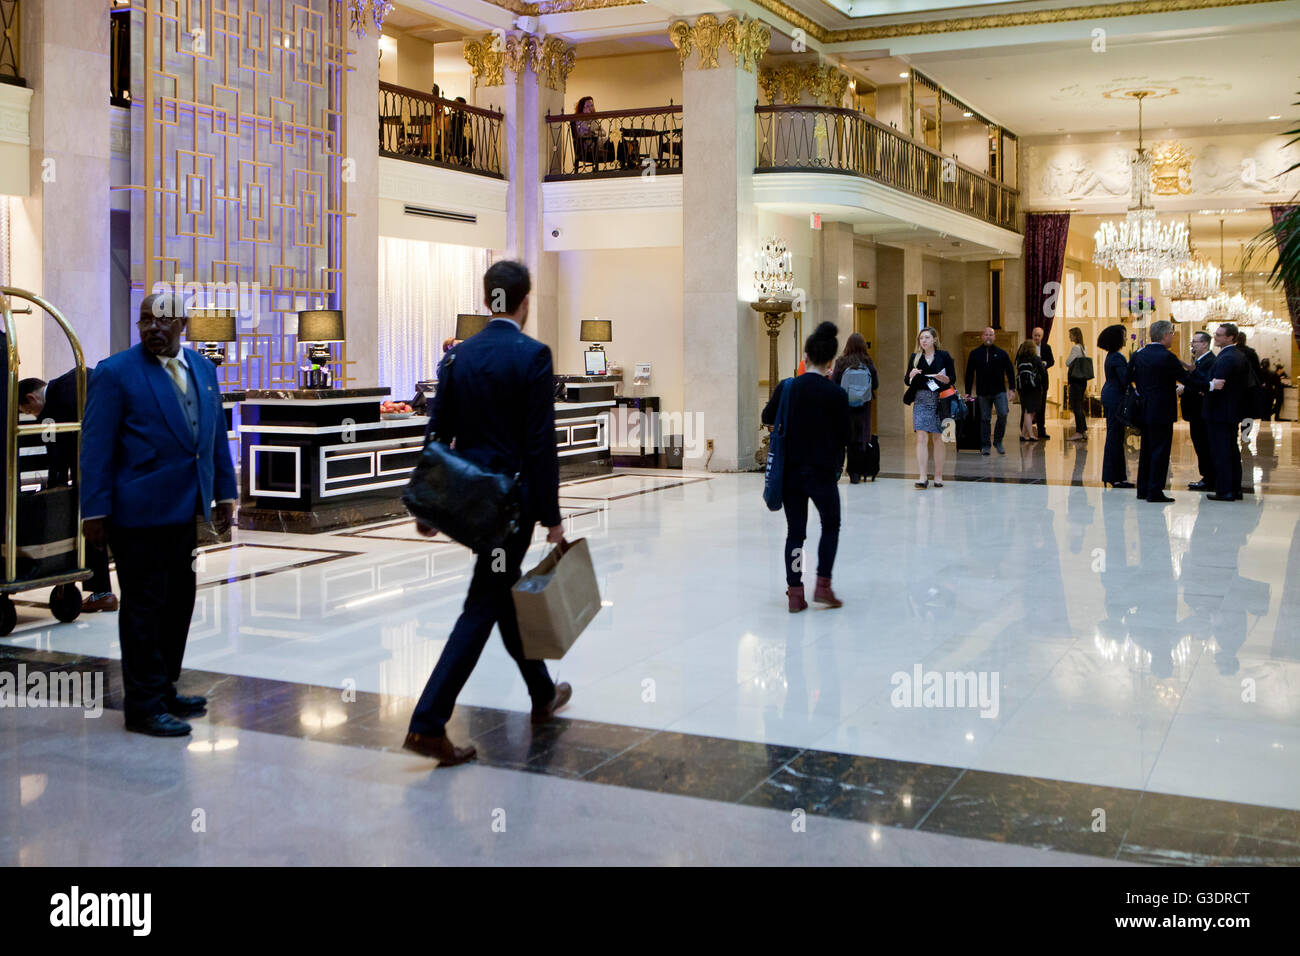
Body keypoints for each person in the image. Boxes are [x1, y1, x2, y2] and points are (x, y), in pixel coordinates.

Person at [404, 260, 570, 767]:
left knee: (500, 591)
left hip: (468, 506)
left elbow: (438, 432)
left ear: (486, 300)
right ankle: (428, 722)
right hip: (509, 512)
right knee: (484, 603)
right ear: (525, 302)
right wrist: (552, 516)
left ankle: (541, 692)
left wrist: (429, 502)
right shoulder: (533, 356)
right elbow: (541, 446)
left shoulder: (460, 358)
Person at [80, 293, 237, 736]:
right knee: (144, 609)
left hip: (186, 511)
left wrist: (224, 494)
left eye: (163, 320)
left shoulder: (204, 370)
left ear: (182, 324)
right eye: (145, 318)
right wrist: (94, 511)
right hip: (137, 513)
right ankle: (143, 706)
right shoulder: (116, 373)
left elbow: (214, 440)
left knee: (178, 604)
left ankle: (164, 688)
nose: (153, 327)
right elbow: (95, 448)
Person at [763, 321, 848, 611]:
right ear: (831, 362)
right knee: (830, 525)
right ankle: (823, 584)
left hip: (791, 473)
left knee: (795, 532)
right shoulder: (836, 394)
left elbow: (767, 415)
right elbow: (846, 436)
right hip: (822, 473)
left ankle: (795, 592)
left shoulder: (788, 387)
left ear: (805, 356)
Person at [18, 373, 118, 612]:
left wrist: (54, 488)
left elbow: (56, 455)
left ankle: (102, 592)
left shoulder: (50, 411)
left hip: (94, 471)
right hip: (122, 463)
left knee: (88, 522)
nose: (34, 415)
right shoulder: (80, 376)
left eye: (29, 411)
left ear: (32, 398)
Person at [1127, 319, 1190, 504]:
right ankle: (1155, 491)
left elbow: (1127, 377)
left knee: (1146, 450)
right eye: (1171, 333)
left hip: (1144, 409)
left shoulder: (1139, 354)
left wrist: (1139, 392)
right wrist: (1209, 384)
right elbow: (1185, 378)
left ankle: (1143, 489)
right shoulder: (1167, 356)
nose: (1172, 336)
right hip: (1162, 410)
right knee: (1160, 451)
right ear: (1165, 335)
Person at [1205, 322, 1252, 501]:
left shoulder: (1227, 357)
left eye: (1218, 335)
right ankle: (1234, 489)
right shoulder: (1236, 355)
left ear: (1230, 337)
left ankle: (1225, 490)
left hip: (1220, 412)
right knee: (1231, 450)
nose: (1215, 337)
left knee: (1222, 452)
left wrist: (1204, 387)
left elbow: (1218, 383)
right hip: (1230, 411)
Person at [904, 327, 955, 488]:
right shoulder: (915, 357)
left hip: (941, 400)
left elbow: (952, 378)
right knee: (921, 436)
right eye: (921, 338)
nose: (923, 341)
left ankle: (938, 476)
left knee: (939, 438)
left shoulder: (944, 356)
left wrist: (945, 378)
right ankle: (922, 476)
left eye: (926, 337)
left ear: (934, 339)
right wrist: (911, 376)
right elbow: (907, 380)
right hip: (921, 400)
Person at [831, 332, 878, 483]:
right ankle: (855, 473)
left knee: (841, 439)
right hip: (863, 407)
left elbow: (834, 384)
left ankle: (837, 470)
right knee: (858, 440)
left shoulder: (841, 361)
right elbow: (875, 384)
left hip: (843, 407)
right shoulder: (867, 361)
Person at [963, 326, 1016, 455]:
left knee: (1003, 414)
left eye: (990, 335)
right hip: (983, 392)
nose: (988, 337)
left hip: (999, 391)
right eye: (986, 334)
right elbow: (969, 373)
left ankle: (998, 442)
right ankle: (985, 445)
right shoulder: (975, 353)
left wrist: (1012, 389)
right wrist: (968, 392)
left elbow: (1010, 371)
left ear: (994, 337)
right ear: (982, 337)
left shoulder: (1002, 353)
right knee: (985, 419)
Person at [1097, 324, 1132, 488]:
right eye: (1124, 335)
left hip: (1110, 395)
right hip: (1115, 397)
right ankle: (1115, 476)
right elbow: (1124, 378)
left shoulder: (1112, 356)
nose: (1126, 338)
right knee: (1115, 437)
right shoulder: (1117, 357)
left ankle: (1115, 476)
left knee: (1115, 436)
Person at [1182, 330, 1217, 492]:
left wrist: (1185, 387)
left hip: (1200, 411)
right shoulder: (1201, 361)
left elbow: (1201, 384)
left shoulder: (1209, 361)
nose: (1192, 344)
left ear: (1204, 344)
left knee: (1203, 444)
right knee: (1200, 444)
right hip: (1196, 411)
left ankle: (1209, 477)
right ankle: (1208, 476)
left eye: (1195, 341)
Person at [1014, 340, 1047, 442]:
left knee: (1028, 411)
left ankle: (1023, 434)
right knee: (1029, 412)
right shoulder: (1036, 359)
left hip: (1022, 389)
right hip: (1034, 388)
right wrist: (1044, 386)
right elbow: (1043, 373)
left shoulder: (1020, 360)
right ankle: (1031, 435)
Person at [1063, 326, 1091, 441]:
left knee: (1076, 406)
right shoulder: (1084, 348)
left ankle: (1079, 431)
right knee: (1079, 405)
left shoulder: (1075, 348)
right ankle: (1083, 431)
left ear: (1075, 335)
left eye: (1070, 335)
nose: (1069, 336)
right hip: (1082, 381)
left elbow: (1067, 362)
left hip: (1076, 380)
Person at [1032, 326, 1055, 439]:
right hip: (1029, 381)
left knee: (1041, 407)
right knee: (1028, 406)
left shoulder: (1046, 347)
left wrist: (1044, 363)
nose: (1037, 337)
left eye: (1039, 335)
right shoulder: (1027, 346)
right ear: (1032, 335)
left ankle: (1041, 430)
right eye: (1035, 335)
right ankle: (1025, 430)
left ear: (1042, 336)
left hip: (1042, 381)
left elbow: (1052, 361)